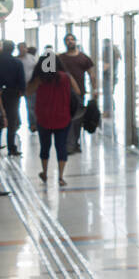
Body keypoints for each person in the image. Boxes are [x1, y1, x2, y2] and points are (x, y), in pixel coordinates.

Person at [28, 52, 79, 185]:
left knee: (45, 147)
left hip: (44, 119)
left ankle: (45, 173)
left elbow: (27, 92)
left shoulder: (39, 79)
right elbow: (77, 91)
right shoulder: (65, 77)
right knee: (61, 146)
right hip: (63, 117)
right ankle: (61, 177)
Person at [58, 34, 94, 156]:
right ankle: (69, 145)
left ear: (75, 41)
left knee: (77, 119)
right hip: (63, 93)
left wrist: (95, 90)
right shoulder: (60, 58)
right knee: (67, 119)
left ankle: (75, 143)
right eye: (67, 40)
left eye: (72, 39)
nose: (70, 42)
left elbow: (91, 74)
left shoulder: (83, 58)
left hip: (79, 93)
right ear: (64, 43)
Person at [0, 41, 25, 155]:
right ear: (13, 49)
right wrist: (21, 91)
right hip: (13, 93)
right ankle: (11, 147)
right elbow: (21, 79)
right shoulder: (17, 62)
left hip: (1, 91)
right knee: (12, 120)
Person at [18, 44, 37, 131]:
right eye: (21, 48)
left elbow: (37, 69)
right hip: (21, 86)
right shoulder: (17, 59)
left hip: (32, 85)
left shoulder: (32, 58)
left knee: (31, 105)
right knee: (27, 106)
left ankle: (33, 124)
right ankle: (19, 123)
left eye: (24, 48)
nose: (23, 50)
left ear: (26, 48)